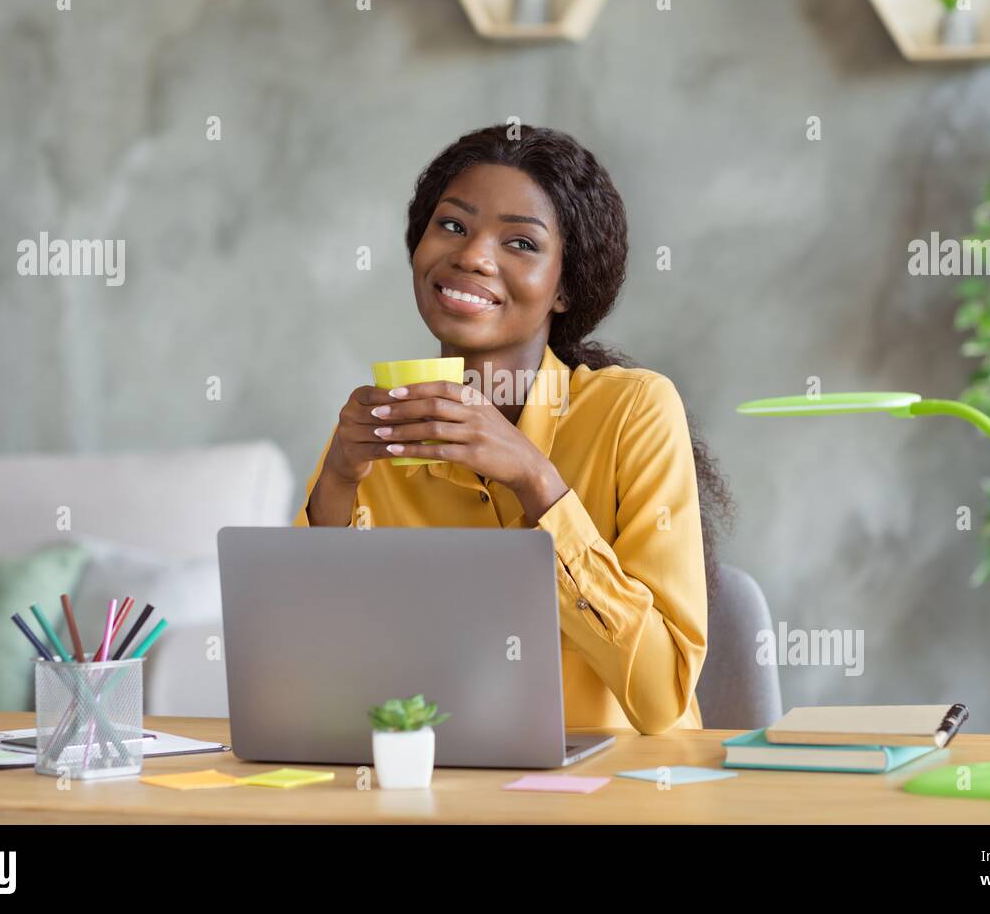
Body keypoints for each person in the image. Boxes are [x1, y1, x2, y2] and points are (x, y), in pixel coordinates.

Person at [296, 124, 733, 734]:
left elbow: (661, 699)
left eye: (521, 243)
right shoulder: (378, 431)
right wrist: (338, 481)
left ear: (565, 287)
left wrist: (536, 479)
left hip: (617, 791)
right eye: (451, 226)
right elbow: (308, 676)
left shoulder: (634, 410)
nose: (472, 256)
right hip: (445, 785)